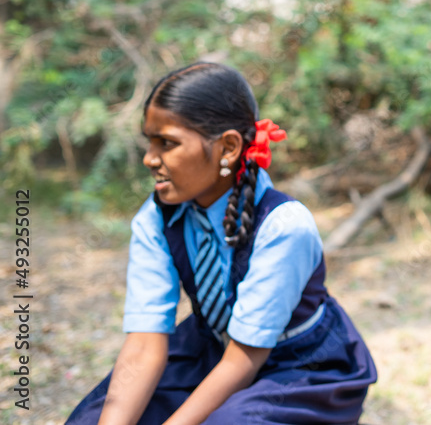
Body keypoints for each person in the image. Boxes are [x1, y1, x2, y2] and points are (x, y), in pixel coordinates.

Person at [68, 62, 377, 425]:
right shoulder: (157, 217)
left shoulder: (283, 226)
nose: (149, 159)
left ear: (228, 147)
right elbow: (144, 345)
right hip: (210, 346)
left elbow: (245, 358)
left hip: (299, 365)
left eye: (166, 143)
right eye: (148, 141)